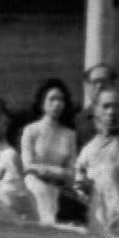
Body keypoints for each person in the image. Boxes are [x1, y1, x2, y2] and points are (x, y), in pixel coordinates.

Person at [72, 86, 119, 232]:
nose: (112, 112)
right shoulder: (87, 151)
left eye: (116, 106)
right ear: (96, 111)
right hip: (96, 229)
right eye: (106, 106)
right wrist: (85, 189)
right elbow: (79, 189)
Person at [18, 78, 78, 224]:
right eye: (52, 99)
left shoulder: (69, 135)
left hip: (59, 188)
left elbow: (72, 171)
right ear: (42, 103)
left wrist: (50, 172)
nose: (57, 104)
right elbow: (28, 166)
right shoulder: (31, 130)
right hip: (34, 185)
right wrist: (58, 172)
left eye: (61, 99)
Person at [74, 63, 118, 143]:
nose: (99, 86)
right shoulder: (78, 120)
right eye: (94, 82)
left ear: (113, 84)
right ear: (87, 86)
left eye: (103, 81)